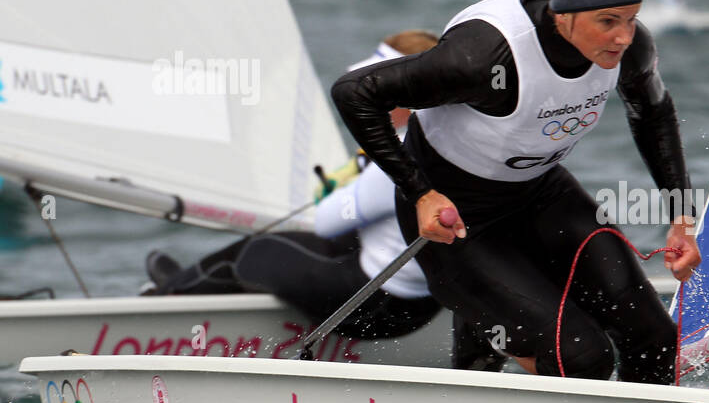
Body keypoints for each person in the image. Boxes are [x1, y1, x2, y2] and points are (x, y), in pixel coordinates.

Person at [330, 0, 701, 384]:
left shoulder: (631, 46)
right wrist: (421, 193)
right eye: (608, 22)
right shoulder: (485, 57)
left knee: (654, 337)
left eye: (631, 17)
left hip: (539, 197)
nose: (624, 37)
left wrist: (681, 219)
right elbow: (354, 92)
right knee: (582, 357)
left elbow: (654, 115)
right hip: (458, 219)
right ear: (563, 15)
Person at [144, 31, 496, 357]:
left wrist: (348, 187)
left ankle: (167, 299)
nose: (372, 97)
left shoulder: (406, 152)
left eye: (381, 88)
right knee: (312, 247)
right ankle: (179, 286)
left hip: (379, 308)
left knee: (259, 249)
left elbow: (327, 222)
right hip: (423, 306)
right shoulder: (460, 142)